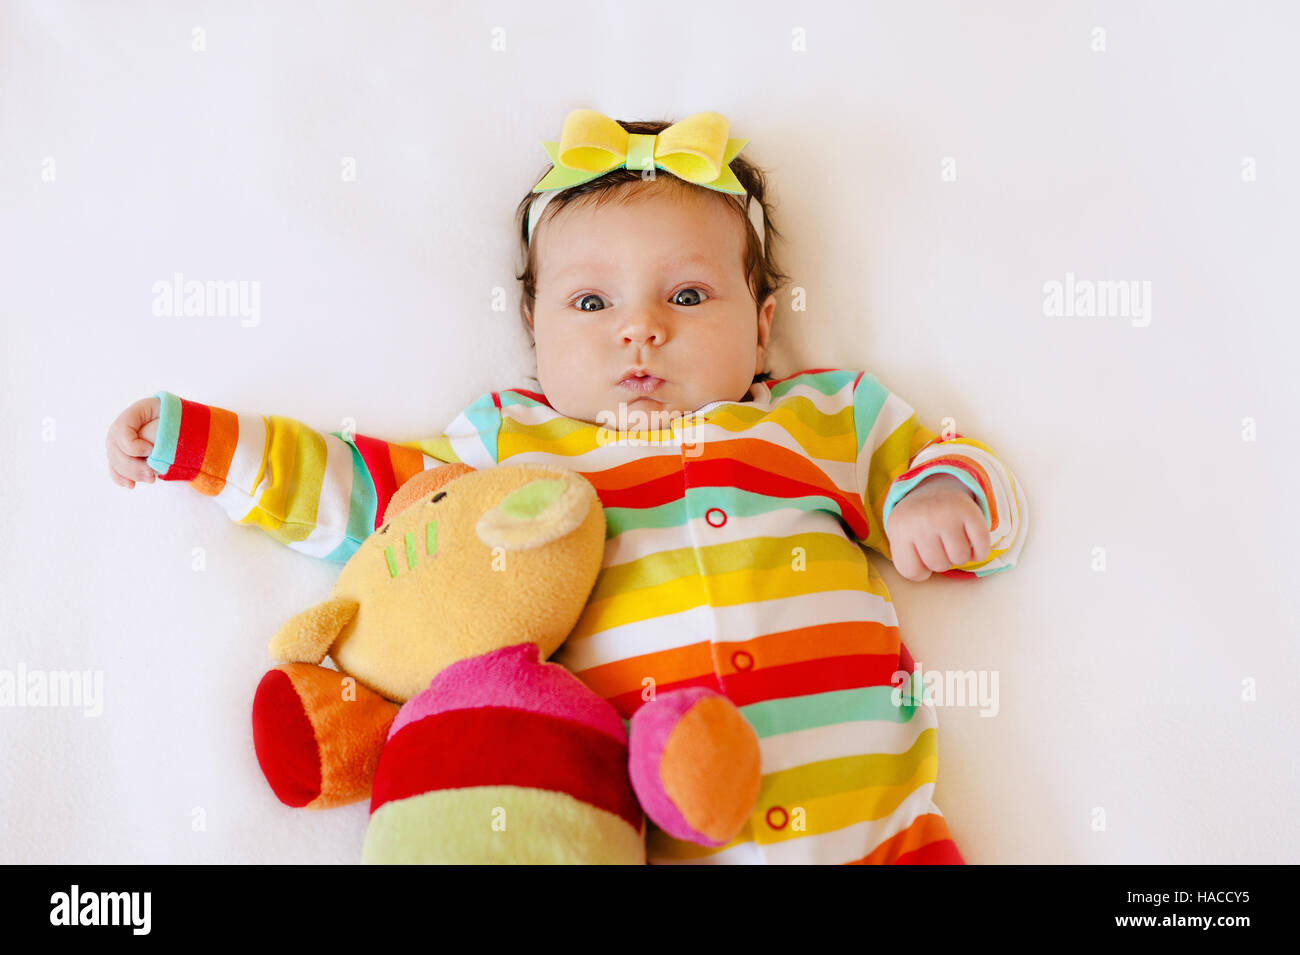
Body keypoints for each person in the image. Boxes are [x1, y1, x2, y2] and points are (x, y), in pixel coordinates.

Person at [106, 108, 1028, 864]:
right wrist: (210, 447)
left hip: (885, 836)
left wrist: (942, 500)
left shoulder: (826, 415)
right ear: (533, 330)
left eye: (690, 295)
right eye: (593, 302)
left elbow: (947, 456)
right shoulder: (514, 446)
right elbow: (372, 501)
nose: (641, 331)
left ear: (762, 327)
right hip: (651, 837)